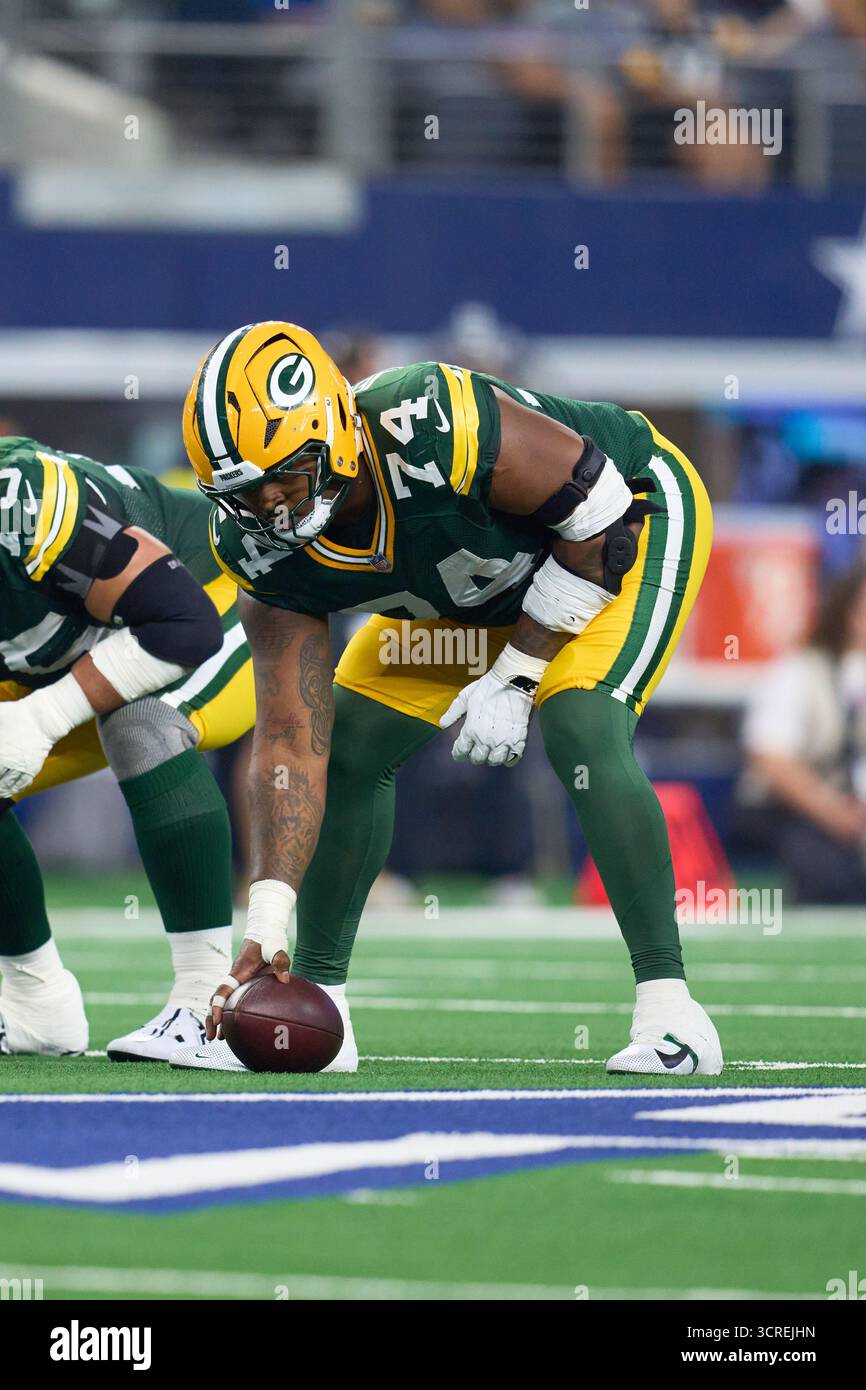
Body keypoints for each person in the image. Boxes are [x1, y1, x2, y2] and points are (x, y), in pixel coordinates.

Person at [172, 319, 722, 1077]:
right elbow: (293, 736)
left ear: (334, 431)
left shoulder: (425, 420)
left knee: (579, 721)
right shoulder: (259, 547)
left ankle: (672, 1010)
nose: (269, 504)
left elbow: (597, 516)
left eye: (284, 474)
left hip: (621, 521)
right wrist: (267, 916)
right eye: (243, 491)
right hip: (474, 590)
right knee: (354, 743)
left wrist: (521, 672)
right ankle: (324, 1002)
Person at [0, 437, 256, 1061]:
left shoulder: (22, 502)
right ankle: (36, 1006)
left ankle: (205, 1004)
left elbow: (182, 625)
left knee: (142, 719)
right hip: (68, 651)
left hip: (208, 595)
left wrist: (41, 717)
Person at [739, 565, 866, 903]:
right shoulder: (801, 671)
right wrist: (835, 811)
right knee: (822, 862)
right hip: (804, 811)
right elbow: (771, 758)